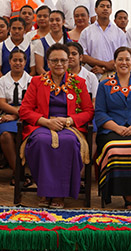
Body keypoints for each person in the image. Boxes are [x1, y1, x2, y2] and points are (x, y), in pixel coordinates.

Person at [19, 44, 94, 207]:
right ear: (48, 62)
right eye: (54, 60)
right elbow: (24, 110)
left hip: (69, 126)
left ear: (69, 62)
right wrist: (46, 122)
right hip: (42, 125)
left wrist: (69, 121)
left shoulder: (79, 83)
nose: (59, 64)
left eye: (63, 60)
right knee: (40, 143)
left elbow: (88, 111)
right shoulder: (37, 82)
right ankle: (45, 192)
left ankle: (60, 194)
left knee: (68, 143)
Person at [93, 47, 131, 208]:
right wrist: (117, 128)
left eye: (127, 59)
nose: (124, 62)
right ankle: (128, 198)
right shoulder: (104, 85)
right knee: (114, 149)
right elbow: (100, 114)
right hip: (111, 130)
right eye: (120, 59)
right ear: (114, 63)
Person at [0, 49, 33, 180]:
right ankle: (18, 173)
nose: (17, 63)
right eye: (14, 60)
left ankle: (27, 172)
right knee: (6, 135)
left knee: (29, 134)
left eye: (20, 60)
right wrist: (17, 114)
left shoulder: (32, 81)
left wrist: (17, 116)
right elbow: (2, 104)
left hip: (28, 117)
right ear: (9, 62)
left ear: (25, 62)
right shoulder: (2, 81)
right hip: (6, 116)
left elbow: (33, 105)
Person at [80, 0, 128, 75]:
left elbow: (124, 55)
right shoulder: (86, 32)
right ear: (95, 10)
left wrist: (104, 69)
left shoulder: (119, 33)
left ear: (111, 10)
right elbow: (83, 56)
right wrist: (105, 64)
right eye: (102, 6)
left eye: (108, 7)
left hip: (115, 73)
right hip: (92, 73)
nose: (105, 9)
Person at [31, 10, 69, 75]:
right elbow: (39, 68)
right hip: (47, 81)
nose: (54, 23)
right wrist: (51, 81)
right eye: (51, 20)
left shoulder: (69, 42)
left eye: (57, 20)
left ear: (63, 22)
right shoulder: (40, 43)